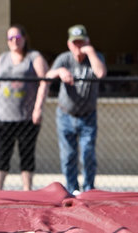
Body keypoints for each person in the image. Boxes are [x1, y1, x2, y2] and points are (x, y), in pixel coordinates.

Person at [0, 24, 47, 190]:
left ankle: (27, 191)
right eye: (10, 38)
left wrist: (38, 108)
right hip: (4, 117)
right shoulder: (1, 59)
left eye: (17, 38)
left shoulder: (34, 58)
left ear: (24, 39)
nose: (14, 41)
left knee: (27, 155)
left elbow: (44, 83)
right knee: (2, 155)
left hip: (27, 117)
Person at [46, 24, 107, 195]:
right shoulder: (64, 59)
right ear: (69, 44)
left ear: (87, 42)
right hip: (66, 114)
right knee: (68, 155)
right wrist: (59, 71)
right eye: (75, 43)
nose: (78, 47)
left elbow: (100, 73)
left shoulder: (95, 57)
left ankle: (88, 188)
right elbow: (47, 76)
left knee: (87, 153)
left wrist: (91, 52)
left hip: (88, 115)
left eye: (81, 43)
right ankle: (72, 188)